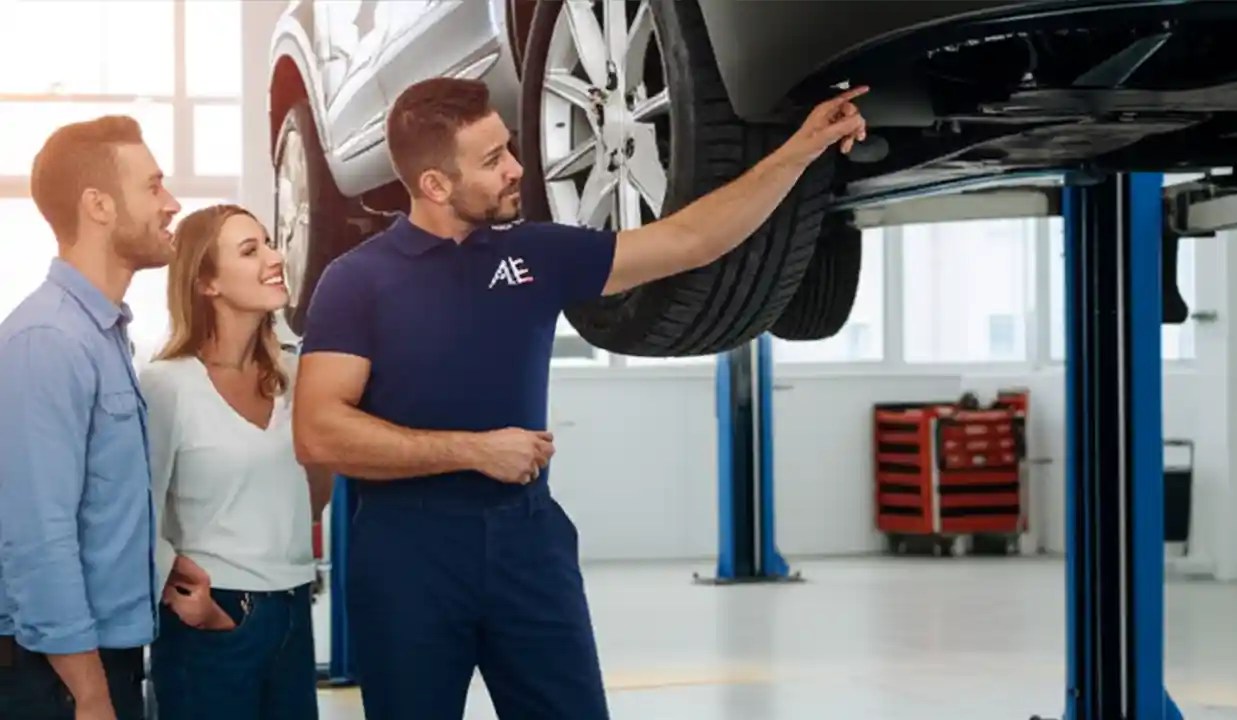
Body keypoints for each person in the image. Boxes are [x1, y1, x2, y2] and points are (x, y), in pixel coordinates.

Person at [292, 77, 868, 720]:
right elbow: (319, 431)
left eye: (508, 148)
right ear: (434, 185)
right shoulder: (357, 281)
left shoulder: (536, 254)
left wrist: (802, 149)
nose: (516, 169)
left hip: (526, 541)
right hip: (407, 555)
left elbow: (690, 240)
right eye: (492, 161)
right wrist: (472, 451)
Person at [0, 116, 180, 720]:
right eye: (153, 187)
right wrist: (90, 692)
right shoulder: (48, 340)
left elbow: (101, 508)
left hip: (103, 656)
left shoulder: (102, 333)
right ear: (98, 205)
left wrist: (167, 567)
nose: (172, 204)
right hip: (59, 674)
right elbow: (36, 538)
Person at [137, 203, 330, 720]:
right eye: (251, 250)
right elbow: (134, 509)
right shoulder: (167, 384)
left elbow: (313, 501)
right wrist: (180, 595)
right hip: (215, 617)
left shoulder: (293, 379)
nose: (274, 258)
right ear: (207, 283)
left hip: (292, 610)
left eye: (269, 243)